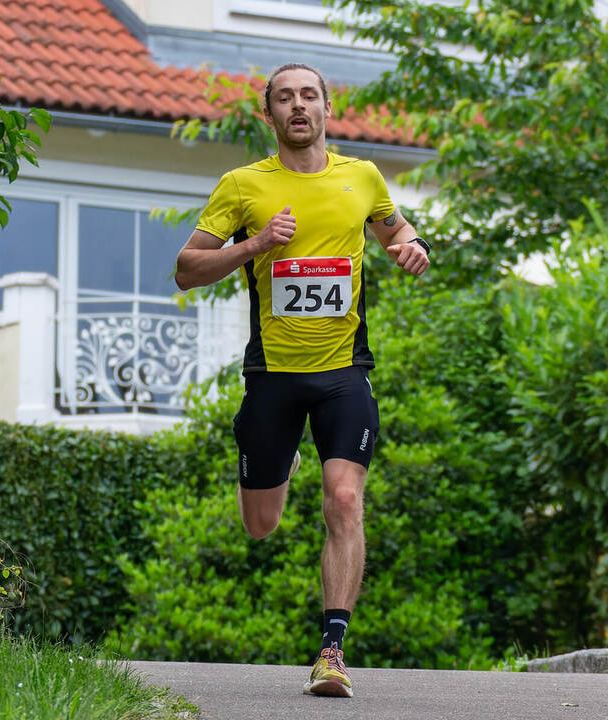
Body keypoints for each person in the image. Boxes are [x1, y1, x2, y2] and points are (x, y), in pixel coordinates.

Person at [174, 62, 430, 698]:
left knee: (344, 499)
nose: (298, 106)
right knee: (261, 524)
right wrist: (254, 243)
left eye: (308, 96)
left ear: (325, 108)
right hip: (274, 376)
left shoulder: (362, 177)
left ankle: (332, 652)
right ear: (269, 115)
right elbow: (186, 268)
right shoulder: (242, 185)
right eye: (284, 98)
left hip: (345, 372)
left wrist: (412, 247)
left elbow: (398, 231)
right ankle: (277, 457)